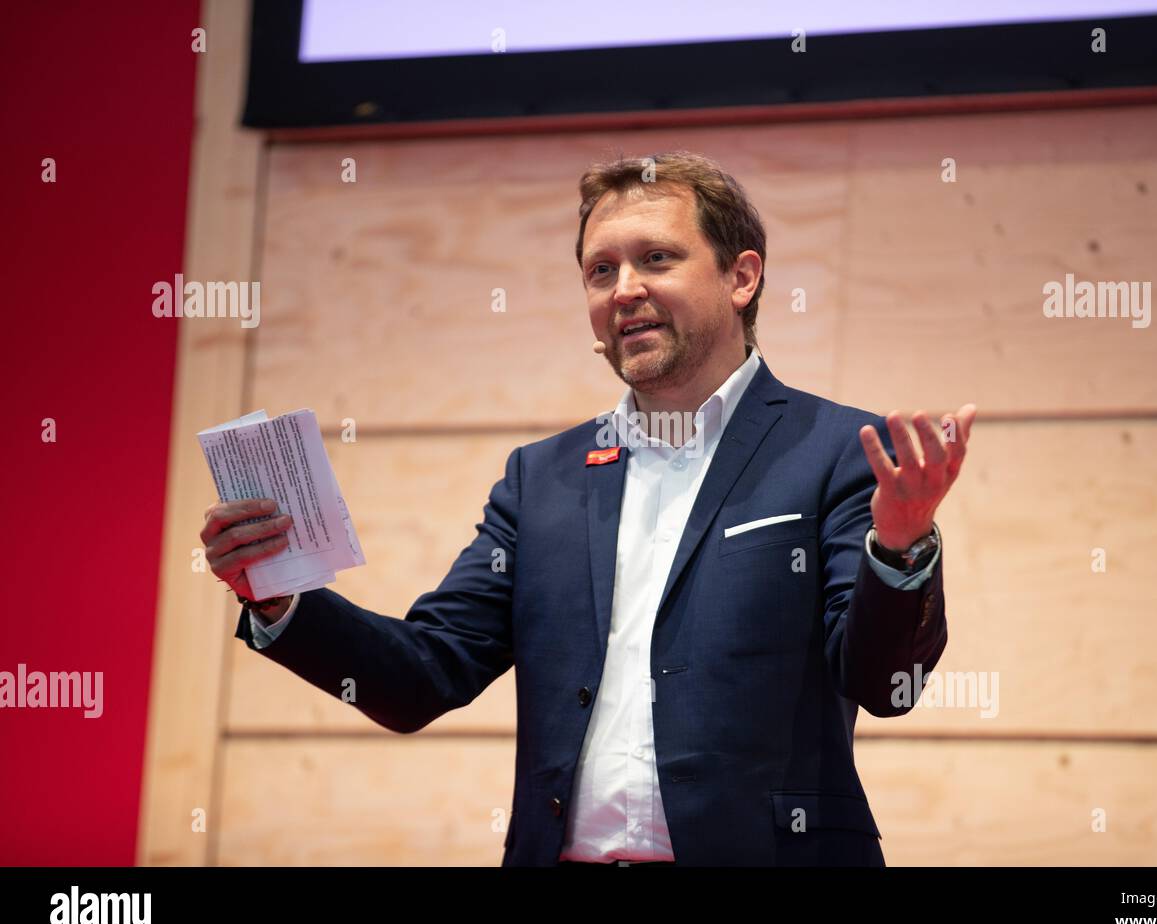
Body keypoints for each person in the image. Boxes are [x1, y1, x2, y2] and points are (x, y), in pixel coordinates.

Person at [199, 150, 976, 866]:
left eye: (656, 259)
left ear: (742, 278)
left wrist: (901, 547)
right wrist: (280, 598)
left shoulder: (836, 449)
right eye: (600, 270)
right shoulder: (544, 480)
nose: (624, 290)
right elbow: (421, 678)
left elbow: (886, 683)